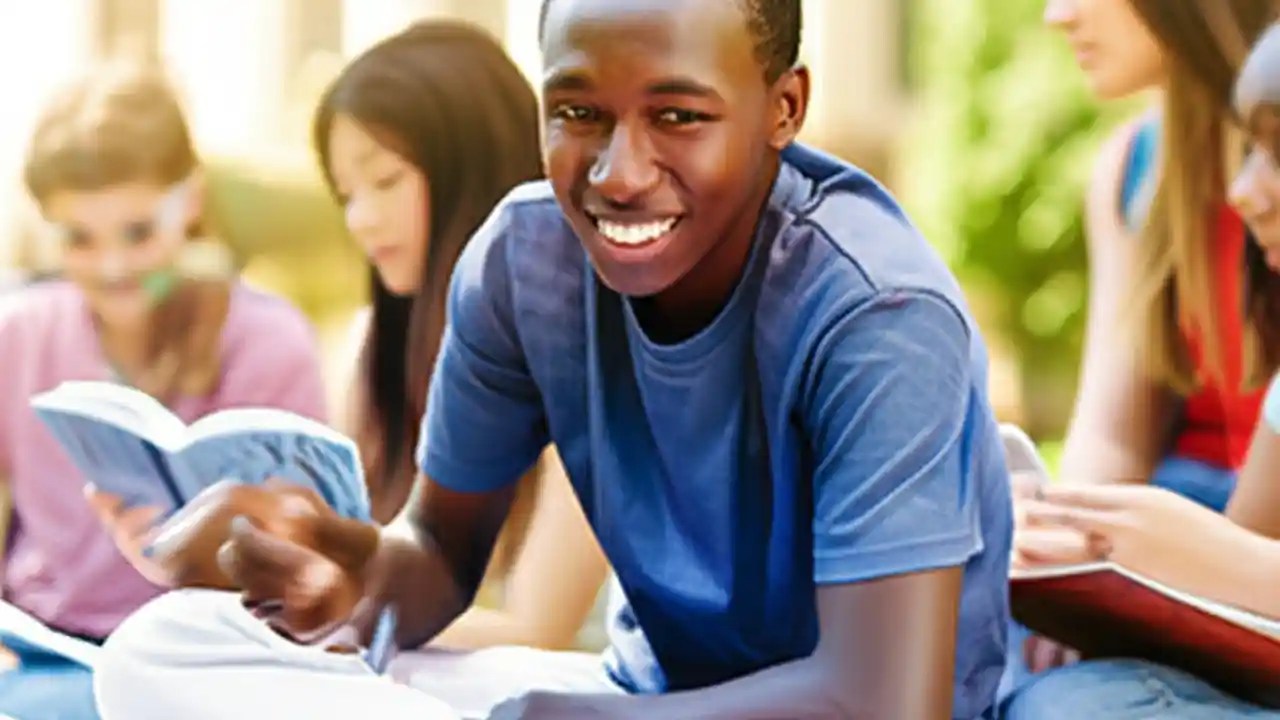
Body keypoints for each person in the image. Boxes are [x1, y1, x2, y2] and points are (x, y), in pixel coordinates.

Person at [95, 1, 1014, 718]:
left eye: (678, 115)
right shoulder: (524, 262)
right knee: (164, 649)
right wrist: (348, 575)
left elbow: (882, 703)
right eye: (577, 112)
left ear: (785, 108)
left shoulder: (876, 313)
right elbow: (440, 551)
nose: (617, 172)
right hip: (639, 697)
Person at [0, 63, 326, 719]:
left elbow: (304, 564)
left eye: (139, 232)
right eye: (78, 239)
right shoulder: (20, 334)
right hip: (42, 652)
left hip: (203, 667)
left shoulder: (269, 344)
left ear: (191, 201)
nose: (113, 267)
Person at [1002, 20, 1280, 720]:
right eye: (1253, 154)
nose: (1059, 14)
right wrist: (1072, 558)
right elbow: (1247, 604)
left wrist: (1185, 551)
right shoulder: (1138, 170)